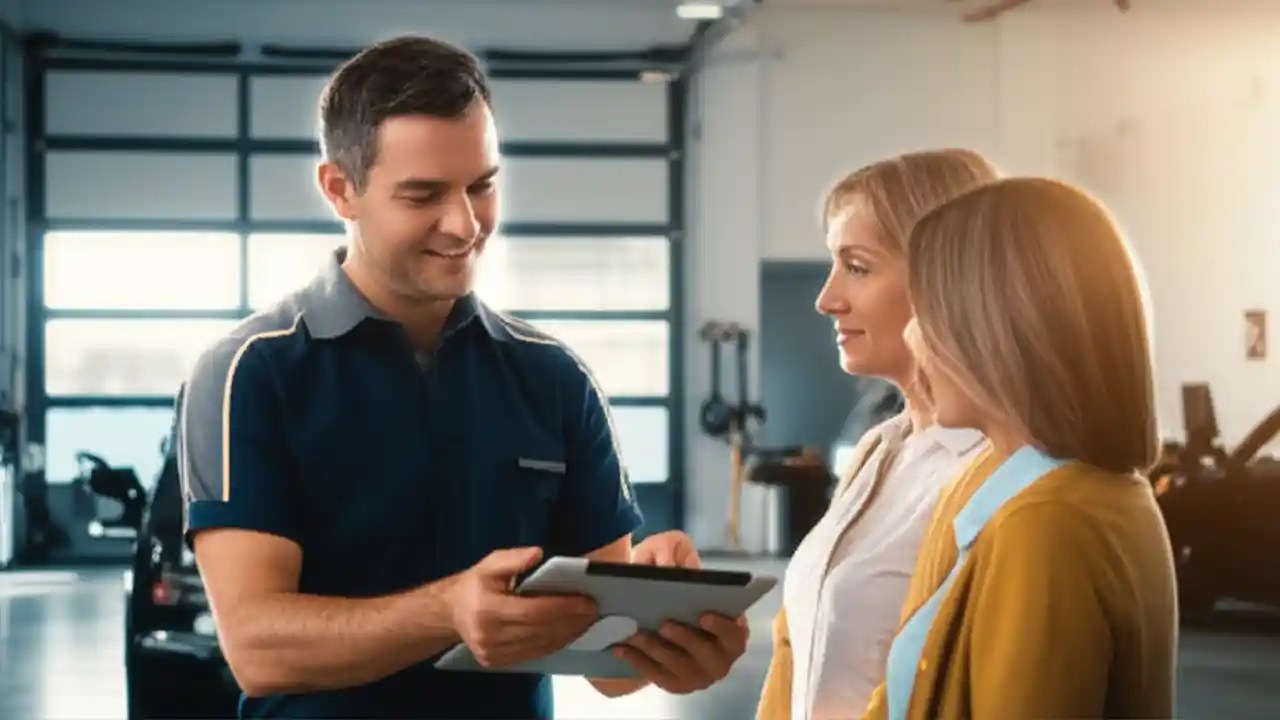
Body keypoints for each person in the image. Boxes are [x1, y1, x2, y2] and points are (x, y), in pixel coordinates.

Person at [177, 35, 746, 720]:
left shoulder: (555, 378)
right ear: (340, 189)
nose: (465, 224)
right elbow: (259, 651)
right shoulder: (249, 372)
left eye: (482, 185)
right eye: (423, 195)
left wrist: (674, 636)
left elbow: (609, 666)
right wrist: (448, 610)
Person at [863, 178, 1177, 719]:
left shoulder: (1047, 522)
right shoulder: (988, 480)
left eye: (926, 314)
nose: (912, 338)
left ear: (989, 328)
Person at [751, 150, 1000, 720]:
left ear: (947, 277)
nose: (826, 300)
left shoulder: (994, 472)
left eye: (858, 268)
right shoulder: (878, 450)